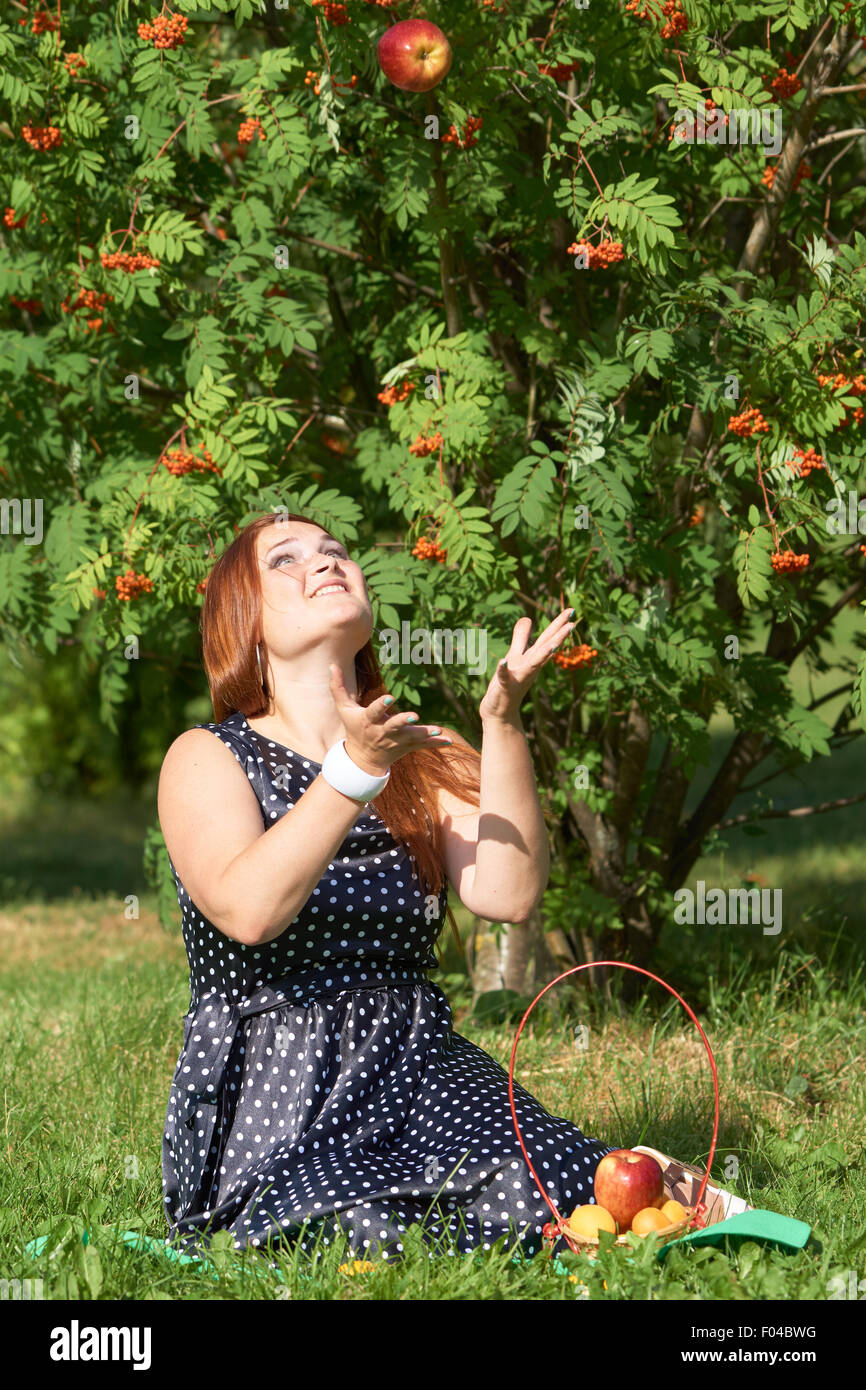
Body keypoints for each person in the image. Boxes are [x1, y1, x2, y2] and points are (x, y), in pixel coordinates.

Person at [157, 511, 734, 1267]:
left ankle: (646, 1179)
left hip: (418, 1062)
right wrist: (354, 774)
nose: (325, 561)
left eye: (334, 550)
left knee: (550, 1193)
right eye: (288, 559)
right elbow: (250, 911)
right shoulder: (207, 756)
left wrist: (502, 723)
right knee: (360, 1232)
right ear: (243, 617)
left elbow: (508, 892)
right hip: (279, 1082)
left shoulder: (423, 755)